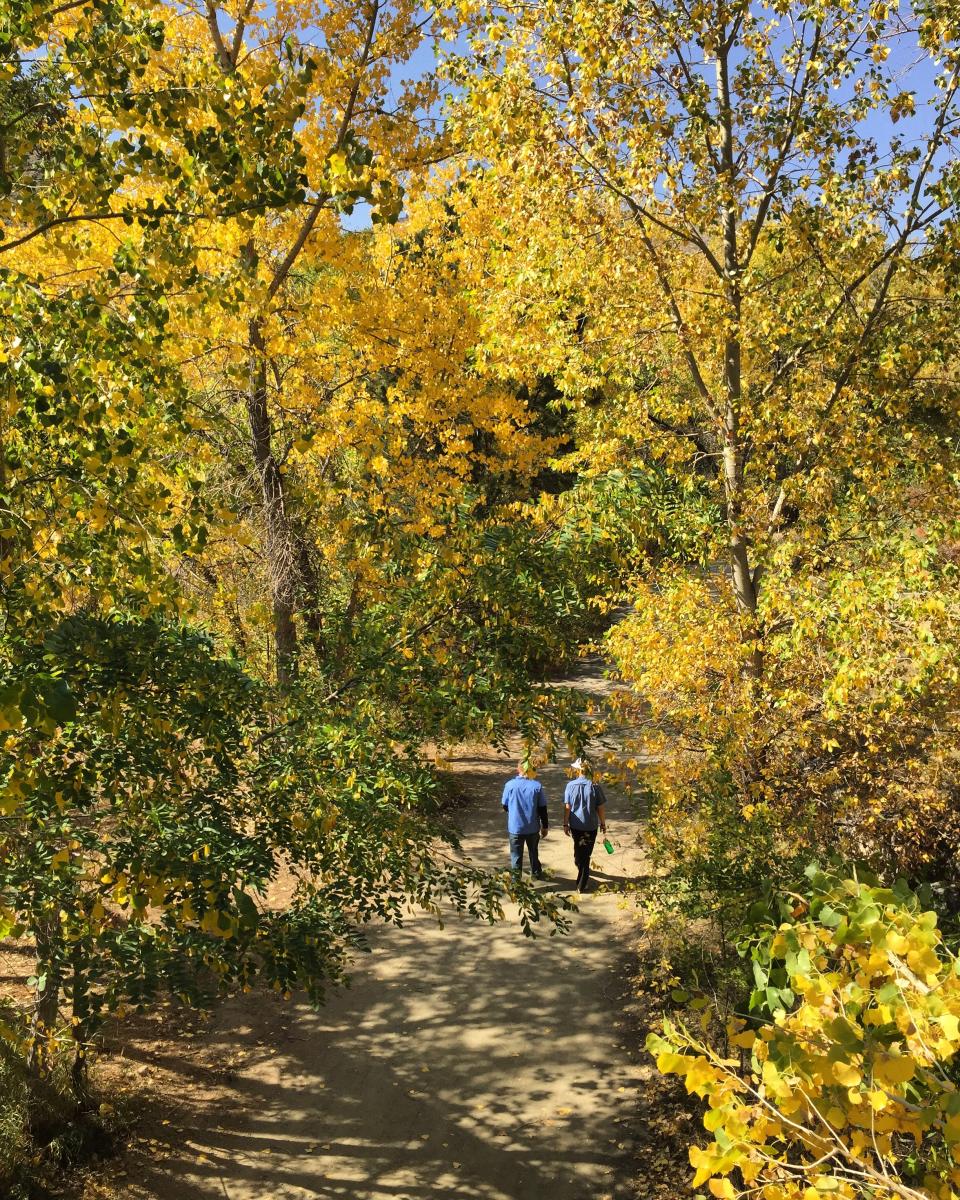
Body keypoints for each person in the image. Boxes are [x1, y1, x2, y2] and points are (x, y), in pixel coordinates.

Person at [563, 758, 607, 893]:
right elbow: (600, 807)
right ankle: (582, 872)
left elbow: (567, 807)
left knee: (580, 851)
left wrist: (565, 823)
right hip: (590, 826)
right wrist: (603, 823)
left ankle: (581, 883)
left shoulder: (570, 786)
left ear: (577, 770)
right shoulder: (595, 786)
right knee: (584, 854)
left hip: (576, 826)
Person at [501, 760, 549, 879]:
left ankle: (516, 883)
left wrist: (513, 813)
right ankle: (536, 873)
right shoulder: (536, 786)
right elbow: (542, 808)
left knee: (516, 856)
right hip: (532, 827)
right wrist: (545, 826)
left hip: (515, 827)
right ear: (531, 770)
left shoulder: (509, 785)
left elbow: (505, 805)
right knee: (533, 851)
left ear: (518, 769)